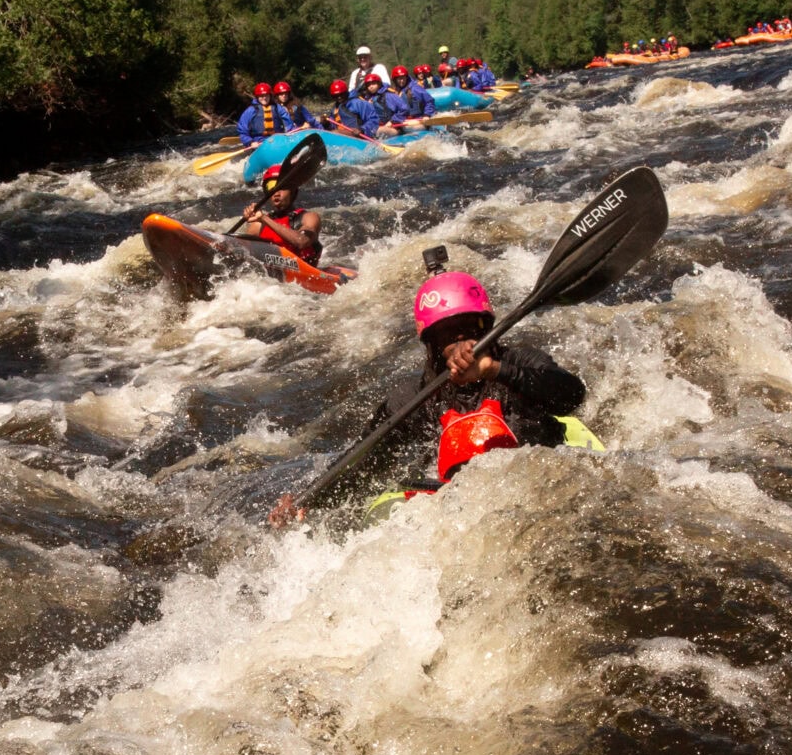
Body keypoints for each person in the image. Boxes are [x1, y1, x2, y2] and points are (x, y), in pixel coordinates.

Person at [267, 256, 589, 525]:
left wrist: (495, 370)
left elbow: (572, 396)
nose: (462, 341)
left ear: (487, 327)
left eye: (470, 327)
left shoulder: (517, 361)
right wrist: (307, 500)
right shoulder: (415, 398)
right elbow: (365, 461)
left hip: (537, 487)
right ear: (431, 346)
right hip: (465, 505)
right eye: (447, 333)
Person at [232, 161, 322, 264]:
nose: (276, 193)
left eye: (282, 187)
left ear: (293, 192)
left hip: (307, 274)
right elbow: (243, 253)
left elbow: (301, 241)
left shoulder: (309, 217)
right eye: (271, 187)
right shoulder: (258, 225)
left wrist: (264, 218)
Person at [235, 82, 294, 147]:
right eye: (261, 96)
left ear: (270, 96)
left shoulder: (277, 108)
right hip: (259, 142)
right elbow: (242, 130)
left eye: (266, 95)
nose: (264, 98)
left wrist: (291, 133)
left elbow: (289, 123)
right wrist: (250, 142)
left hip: (277, 140)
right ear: (257, 97)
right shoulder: (251, 110)